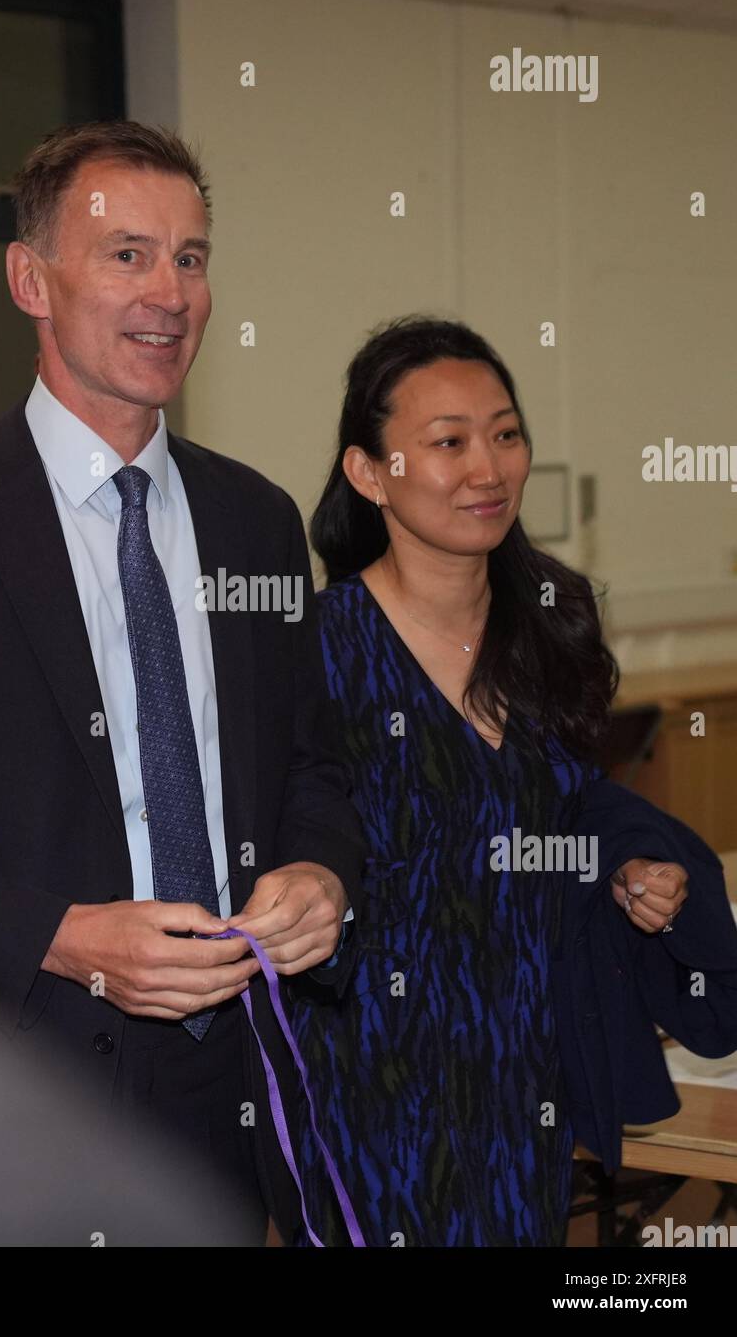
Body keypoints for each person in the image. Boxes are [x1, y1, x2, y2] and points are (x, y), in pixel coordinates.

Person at [0, 121, 366, 1246]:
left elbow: (309, 764)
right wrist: (60, 934)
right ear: (29, 278)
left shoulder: (256, 519)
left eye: (190, 256)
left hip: (219, 1077)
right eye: (127, 253)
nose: (170, 291)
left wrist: (319, 873)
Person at [289, 315, 737, 1247]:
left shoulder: (550, 622)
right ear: (369, 473)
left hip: (526, 1066)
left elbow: (570, 803)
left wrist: (625, 862)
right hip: (369, 1077)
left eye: (504, 433)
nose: (486, 468)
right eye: (446, 442)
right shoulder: (313, 646)